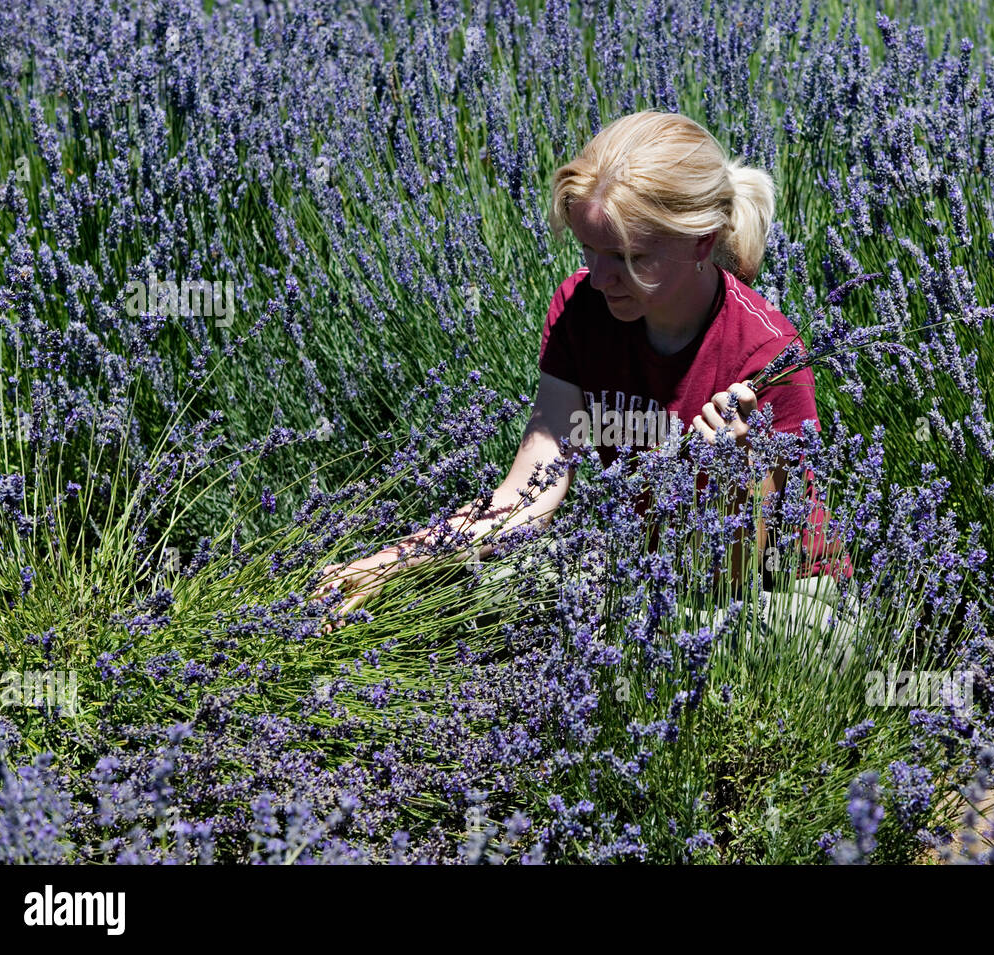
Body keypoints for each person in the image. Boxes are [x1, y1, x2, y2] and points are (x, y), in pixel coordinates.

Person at [312, 110, 853, 655]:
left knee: (751, 644)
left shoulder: (766, 354)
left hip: (776, 592)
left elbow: (734, 579)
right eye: (587, 250)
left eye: (628, 257)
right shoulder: (582, 310)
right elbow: (528, 498)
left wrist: (736, 476)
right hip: (653, 573)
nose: (599, 277)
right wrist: (389, 565)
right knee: (497, 585)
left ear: (700, 243)